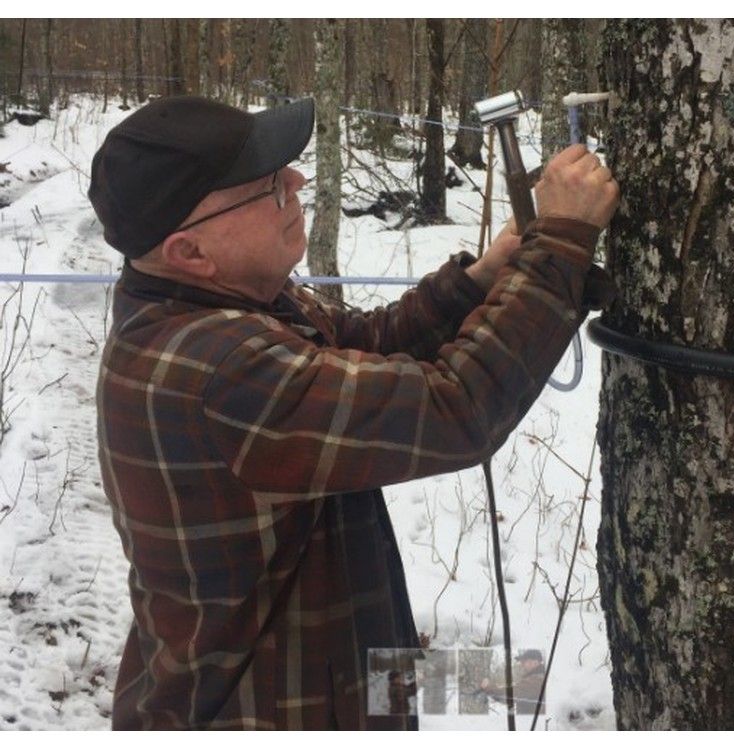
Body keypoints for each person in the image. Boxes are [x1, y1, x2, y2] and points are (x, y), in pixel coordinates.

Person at [88, 95, 618, 730]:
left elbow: (363, 343)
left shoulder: (217, 303)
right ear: (190, 251)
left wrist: (484, 276)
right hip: (266, 712)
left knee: (451, 689)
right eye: (267, 186)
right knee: (493, 686)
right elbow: (455, 408)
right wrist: (560, 245)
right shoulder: (215, 367)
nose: (297, 181)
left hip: (331, 670)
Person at [480, 649, 547, 715]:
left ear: (535, 663)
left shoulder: (536, 681)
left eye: (524, 662)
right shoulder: (538, 678)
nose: (522, 665)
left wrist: (488, 687)